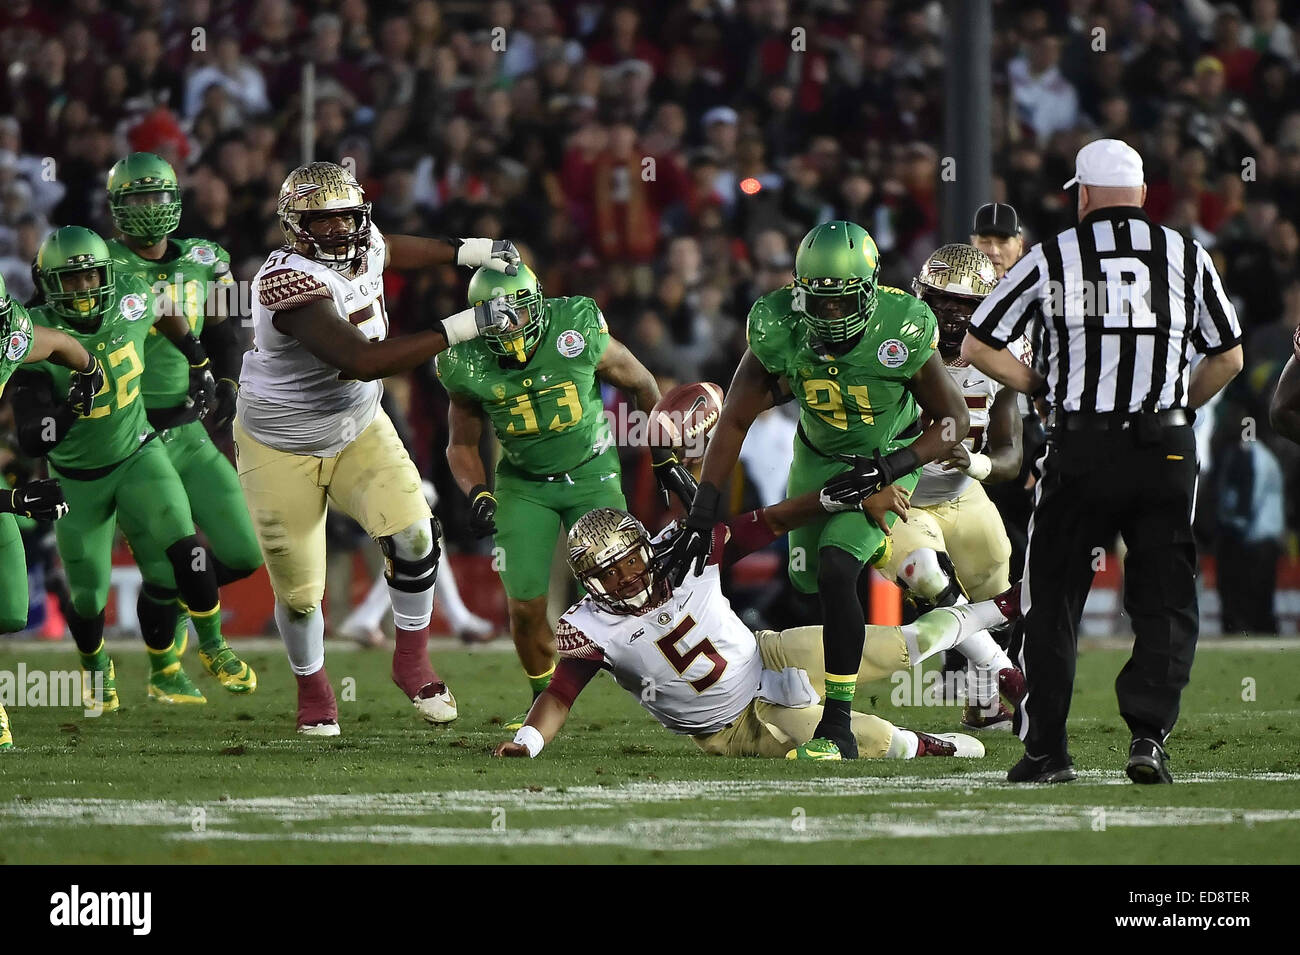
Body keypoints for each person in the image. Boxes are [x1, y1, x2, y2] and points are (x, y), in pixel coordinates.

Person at [962, 139, 1245, 784]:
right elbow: (1227, 356)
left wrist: (1038, 387)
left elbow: (980, 344)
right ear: (1143, 195)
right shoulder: (1186, 255)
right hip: (1163, 449)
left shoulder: (1055, 255)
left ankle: (1047, 751)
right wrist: (1177, 409)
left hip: (1081, 446)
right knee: (1165, 598)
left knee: (1054, 598)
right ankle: (1149, 736)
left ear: (1084, 196)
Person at [662, 220, 969, 759]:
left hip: (883, 458)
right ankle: (797, 691)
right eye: (818, 301)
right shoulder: (777, 323)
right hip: (816, 456)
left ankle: (838, 726)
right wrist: (703, 509)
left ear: (870, 290)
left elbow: (953, 420)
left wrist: (894, 465)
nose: (829, 314)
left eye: (841, 300)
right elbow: (733, 419)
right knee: (805, 586)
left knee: (835, 568)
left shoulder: (904, 324)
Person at [233, 161, 519, 735]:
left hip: (358, 424)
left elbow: (393, 250)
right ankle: (314, 688)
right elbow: (361, 360)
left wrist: (472, 249)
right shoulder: (285, 281)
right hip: (281, 443)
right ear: (295, 226)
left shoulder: (364, 245)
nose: (342, 229)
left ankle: (411, 660)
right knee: (299, 593)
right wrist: (469, 323)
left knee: (415, 533)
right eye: (325, 220)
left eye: (347, 216)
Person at [494, 486, 1022, 760]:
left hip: (768, 655)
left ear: (644, 548)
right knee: (870, 741)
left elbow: (770, 521)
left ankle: (1000, 608)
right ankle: (926, 744)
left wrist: (838, 498)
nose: (629, 577)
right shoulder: (592, 626)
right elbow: (559, 695)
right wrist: (529, 740)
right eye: (611, 572)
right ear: (591, 583)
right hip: (731, 726)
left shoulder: (684, 551)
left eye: (632, 559)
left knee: (896, 646)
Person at [438, 261, 688, 728]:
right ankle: (545, 701)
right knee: (526, 605)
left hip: (591, 471)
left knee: (630, 593)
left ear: (537, 304)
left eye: (517, 311)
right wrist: (477, 492)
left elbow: (643, 383)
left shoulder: (575, 328)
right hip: (523, 483)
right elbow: (462, 444)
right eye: (495, 316)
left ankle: (667, 690)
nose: (509, 325)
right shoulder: (464, 360)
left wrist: (664, 457)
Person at [11, 226, 246, 708]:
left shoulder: (132, 295)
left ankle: (214, 645)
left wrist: (199, 360)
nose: (82, 288)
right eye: (70, 280)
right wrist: (71, 407)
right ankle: (96, 667)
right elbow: (33, 438)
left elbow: (168, 310)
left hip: (139, 451)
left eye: (90, 276)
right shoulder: (33, 334)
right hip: (77, 478)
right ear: (46, 282)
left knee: (188, 548)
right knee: (87, 596)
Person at [104, 152, 263, 675]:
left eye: (157, 195)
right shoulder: (97, 264)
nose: (150, 208)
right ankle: (171, 652)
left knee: (243, 553)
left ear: (175, 199)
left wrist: (232, 377)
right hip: (127, 436)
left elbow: (225, 327)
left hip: (188, 426)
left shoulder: (204, 256)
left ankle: (169, 599)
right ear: (116, 208)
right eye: (137, 198)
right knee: (168, 555)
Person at [874, 243, 1025, 731]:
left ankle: (983, 704)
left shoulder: (1001, 355)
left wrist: (978, 463)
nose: (953, 315)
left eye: (967, 304)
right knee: (927, 575)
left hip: (962, 493)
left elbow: (1011, 451)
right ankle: (1009, 679)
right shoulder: (889, 345)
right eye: (942, 301)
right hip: (898, 497)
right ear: (920, 296)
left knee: (996, 594)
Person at [1, 272, 100, 748]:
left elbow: (58, 342)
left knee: (10, 608)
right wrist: (16, 500)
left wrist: (89, 371)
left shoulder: (11, 333)